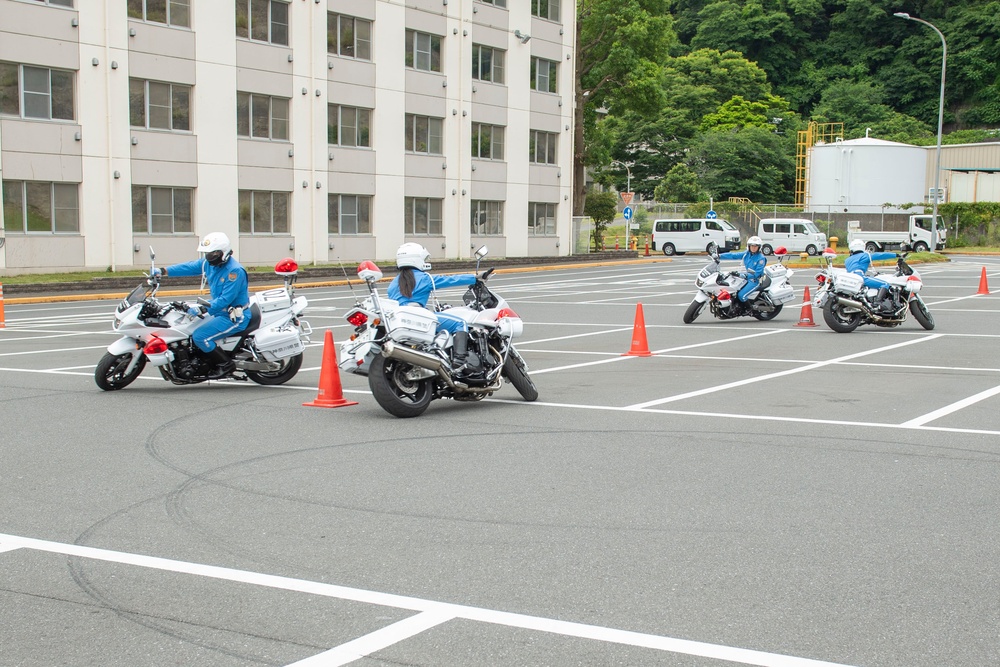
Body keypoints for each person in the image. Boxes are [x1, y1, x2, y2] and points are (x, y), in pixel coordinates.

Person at [154, 232, 250, 378]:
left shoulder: (234, 271)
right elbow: (189, 267)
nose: (208, 257)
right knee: (189, 328)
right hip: (218, 311)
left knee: (200, 336)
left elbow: (225, 299)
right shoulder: (210, 264)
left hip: (234, 316)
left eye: (212, 254)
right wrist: (163, 271)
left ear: (222, 253)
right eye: (207, 253)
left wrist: (203, 308)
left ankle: (226, 365)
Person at [387, 243, 477, 370]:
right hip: (420, 317)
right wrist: (474, 278)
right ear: (416, 259)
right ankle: (459, 361)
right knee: (460, 323)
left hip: (402, 321)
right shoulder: (424, 278)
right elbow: (450, 279)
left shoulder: (392, 284)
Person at [845, 239, 899, 312]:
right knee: (885, 284)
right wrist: (896, 255)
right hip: (860, 276)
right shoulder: (864, 255)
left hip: (851, 277)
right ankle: (878, 302)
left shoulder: (847, 260)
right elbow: (879, 255)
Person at [718, 235, 767, 302]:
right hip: (746, 277)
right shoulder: (746, 254)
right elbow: (734, 255)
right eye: (752, 246)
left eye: (756, 246)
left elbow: (757, 273)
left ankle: (749, 311)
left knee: (741, 296)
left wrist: (745, 275)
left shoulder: (761, 258)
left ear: (759, 247)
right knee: (732, 289)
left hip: (755, 281)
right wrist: (719, 256)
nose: (753, 248)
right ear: (749, 246)